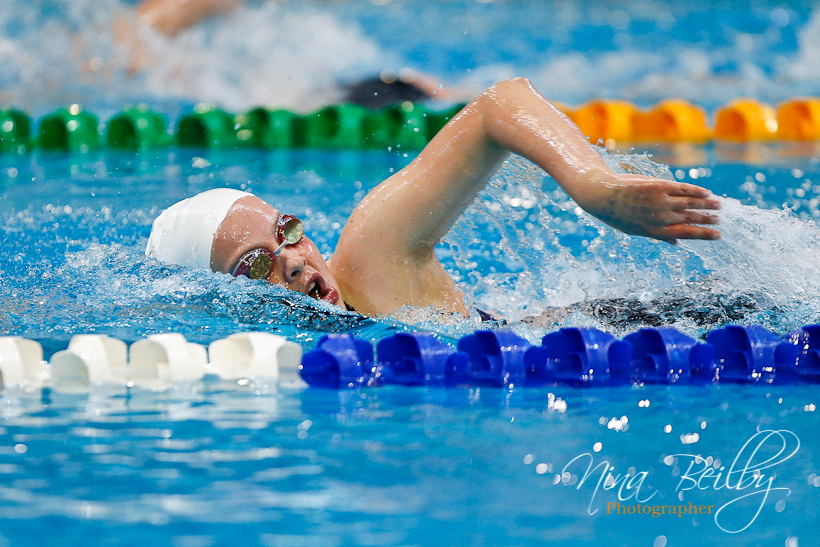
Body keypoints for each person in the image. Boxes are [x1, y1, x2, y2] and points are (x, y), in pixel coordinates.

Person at [146, 78, 721, 318]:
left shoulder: (371, 258)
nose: (293, 261)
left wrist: (596, 187)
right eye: (255, 266)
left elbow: (500, 104)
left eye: (287, 232)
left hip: (638, 329)